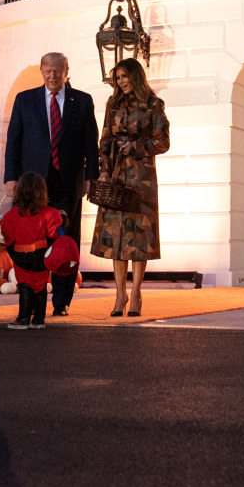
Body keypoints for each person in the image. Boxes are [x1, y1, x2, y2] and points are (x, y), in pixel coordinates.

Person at [3, 52, 99, 316]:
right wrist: (11, 178)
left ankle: (61, 301)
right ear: (42, 71)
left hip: (67, 183)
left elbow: (90, 142)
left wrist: (91, 176)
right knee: (32, 241)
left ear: (66, 71)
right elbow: (14, 141)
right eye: (48, 70)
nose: (53, 76)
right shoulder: (25, 100)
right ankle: (32, 299)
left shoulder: (82, 101)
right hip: (32, 186)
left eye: (58, 71)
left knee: (65, 242)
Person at [90, 58, 171, 317]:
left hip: (141, 179)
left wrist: (135, 147)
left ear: (135, 76)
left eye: (124, 76)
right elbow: (105, 140)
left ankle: (135, 293)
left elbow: (163, 142)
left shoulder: (154, 104)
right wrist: (103, 171)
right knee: (115, 237)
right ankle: (119, 294)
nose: (120, 82)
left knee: (138, 238)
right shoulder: (112, 104)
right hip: (115, 176)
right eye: (117, 78)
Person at [0, 172, 64, 331]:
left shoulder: (11, 216)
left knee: (25, 285)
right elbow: (54, 233)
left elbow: (8, 238)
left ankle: (24, 318)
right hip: (41, 254)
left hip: (21, 254)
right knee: (40, 286)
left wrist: (12, 253)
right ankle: (39, 319)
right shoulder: (49, 213)